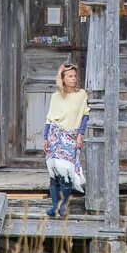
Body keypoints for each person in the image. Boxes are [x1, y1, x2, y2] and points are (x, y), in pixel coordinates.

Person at [42, 62, 89, 217]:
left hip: (71, 137)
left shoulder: (81, 94)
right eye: (70, 76)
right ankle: (55, 206)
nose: (73, 78)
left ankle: (63, 206)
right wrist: (44, 138)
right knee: (54, 175)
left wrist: (81, 135)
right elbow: (49, 119)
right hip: (54, 136)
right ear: (62, 78)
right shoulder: (56, 96)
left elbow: (85, 116)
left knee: (67, 174)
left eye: (75, 76)